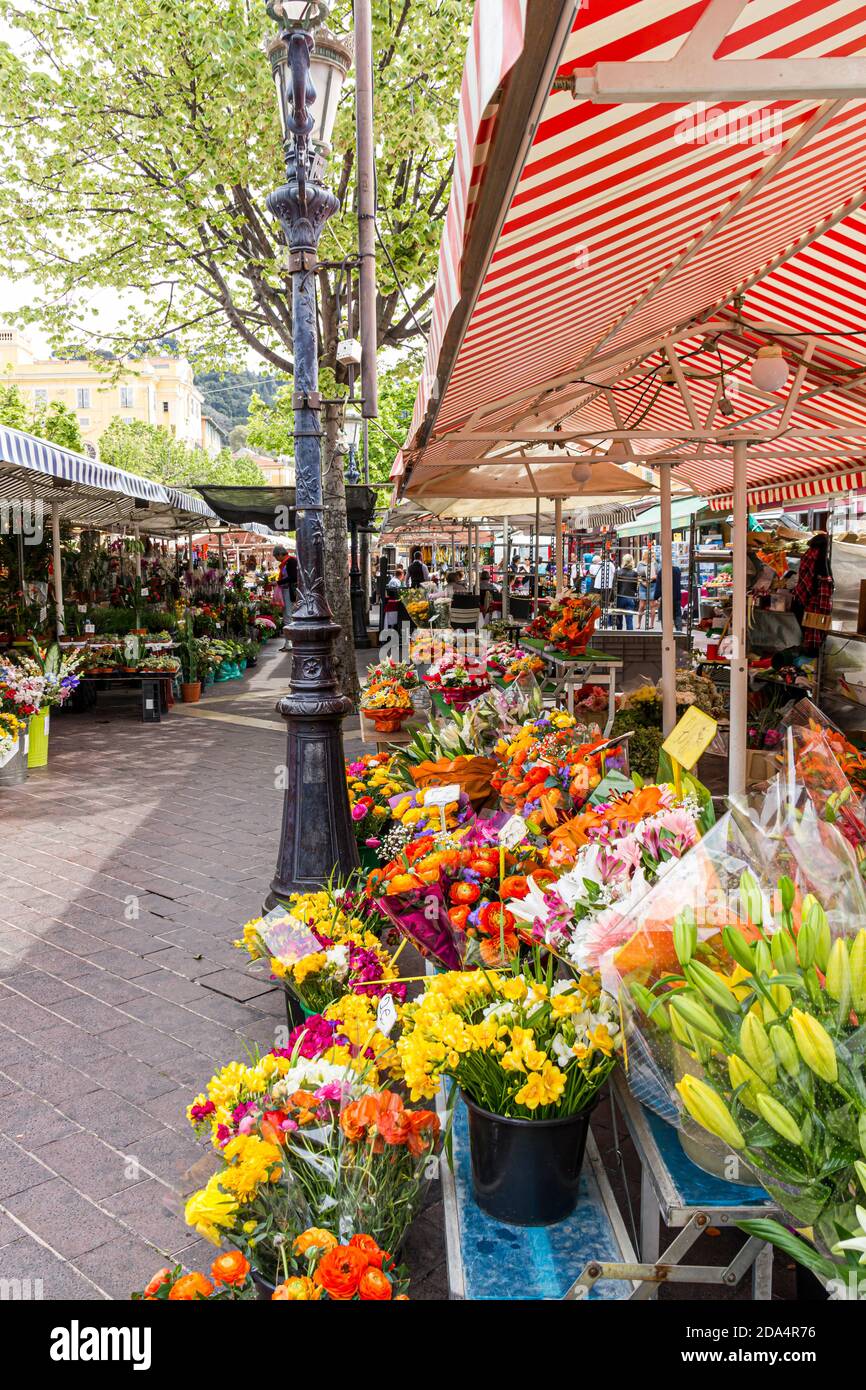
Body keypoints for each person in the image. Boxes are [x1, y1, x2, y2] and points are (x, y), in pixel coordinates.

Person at [792, 533, 834, 652]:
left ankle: (808, 657)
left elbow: (805, 581)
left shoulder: (806, 555)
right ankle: (812, 659)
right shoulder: (821, 558)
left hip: (804, 600)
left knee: (807, 632)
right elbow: (821, 583)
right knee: (815, 633)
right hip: (816, 602)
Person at [652, 554, 683, 631]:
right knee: (677, 614)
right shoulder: (677, 570)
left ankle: (666, 632)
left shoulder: (661, 572)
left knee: (665, 615)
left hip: (666, 597)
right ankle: (679, 632)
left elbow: (659, 587)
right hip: (676, 596)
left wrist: (656, 597)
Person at [613, 553, 639, 630]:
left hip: (620, 597)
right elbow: (635, 586)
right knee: (629, 620)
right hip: (630, 597)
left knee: (619, 620)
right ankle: (631, 637)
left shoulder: (618, 572)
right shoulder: (634, 573)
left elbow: (614, 586)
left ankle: (619, 636)